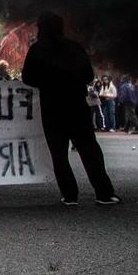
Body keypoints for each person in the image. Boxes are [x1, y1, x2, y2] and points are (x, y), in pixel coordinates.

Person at [21, 12, 120, 206]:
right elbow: (88, 75)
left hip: (51, 108)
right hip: (76, 106)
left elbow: (27, 77)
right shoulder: (74, 48)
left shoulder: (37, 50)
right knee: (89, 150)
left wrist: (47, 83)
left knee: (59, 154)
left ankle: (69, 195)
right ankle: (104, 193)